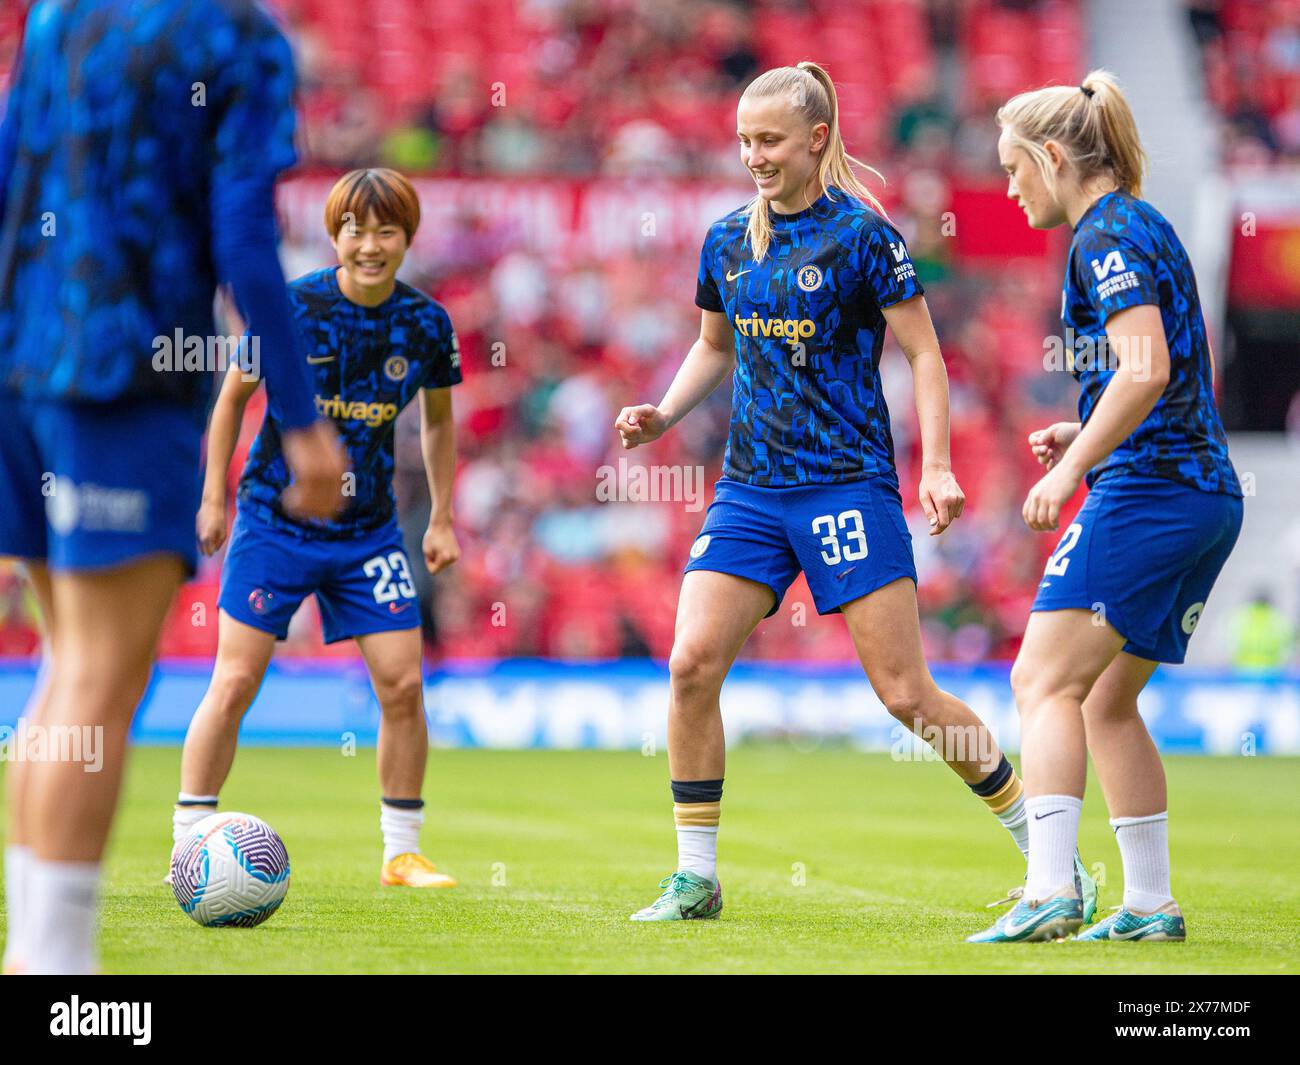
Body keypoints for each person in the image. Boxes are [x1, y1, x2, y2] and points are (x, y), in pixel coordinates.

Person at [614, 62, 1094, 922]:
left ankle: (1047, 852)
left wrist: (937, 464)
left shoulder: (866, 237)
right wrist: (663, 411)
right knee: (690, 663)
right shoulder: (727, 239)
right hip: (751, 489)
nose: (753, 157)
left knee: (908, 695)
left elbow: (923, 355)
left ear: (817, 139)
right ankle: (695, 876)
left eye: (768, 141)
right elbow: (715, 348)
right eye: (744, 142)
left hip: (847, 486)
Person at [0, 0, 347, 975]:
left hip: (20, 370)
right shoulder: (236, 37)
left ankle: (39, 957)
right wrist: (302, 415)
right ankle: (59, 975)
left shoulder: (65, 14)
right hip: (120, 378)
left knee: (64, 675)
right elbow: (244, 236)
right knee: (99, 682)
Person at [969, 70, 1243, 943]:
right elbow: (1160, 368)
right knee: (1103, 703)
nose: (1008, 189)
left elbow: (1146, 368)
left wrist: (1073, 466)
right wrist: (1083, 426)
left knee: (1041, 679)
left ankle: (1050, 888)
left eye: (1014, 169)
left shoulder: (1105, 234)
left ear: (1052, 158)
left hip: (1153, 490)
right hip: (1203, 493)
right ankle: (1150, 903)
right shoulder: (1143, 222)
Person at [172, 169, 463, 889]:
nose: (369, 244)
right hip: (275, 520)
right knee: (235, 678)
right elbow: (231, 400)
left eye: (385, 230)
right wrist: (213, 500)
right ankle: (188, 840)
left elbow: (439, 422)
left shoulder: (427, 323)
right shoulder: (291, 308)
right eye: (355, 230)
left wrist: (445, 517)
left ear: (406, 238)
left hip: (369, 533)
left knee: (402, 683)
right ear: (335, 235)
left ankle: (402, 851)